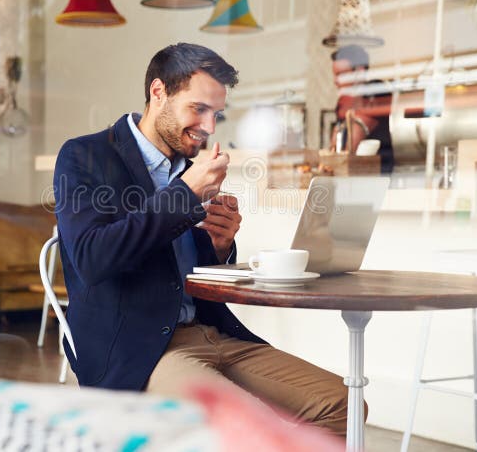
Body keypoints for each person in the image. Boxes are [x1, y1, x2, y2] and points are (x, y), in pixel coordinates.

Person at [53, 43, 355, 435]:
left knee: (343, 404)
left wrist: (220, 246)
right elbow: (92, 259)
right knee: (247, 427)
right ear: (158, 93)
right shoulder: (86, 156)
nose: (210, 127)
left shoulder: (186, 171)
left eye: (217, 114)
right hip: (136, 349)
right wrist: (185, 197)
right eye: (198, 109)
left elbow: (184, 270)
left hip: (211, 333)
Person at [331, 45, 394, 173]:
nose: (335, 81)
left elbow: (349, 149)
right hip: (354, 178)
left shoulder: (375, 91)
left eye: (340, 75)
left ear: (359, 71)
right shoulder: (344, 103)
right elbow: (334, 149)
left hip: (378, 180)